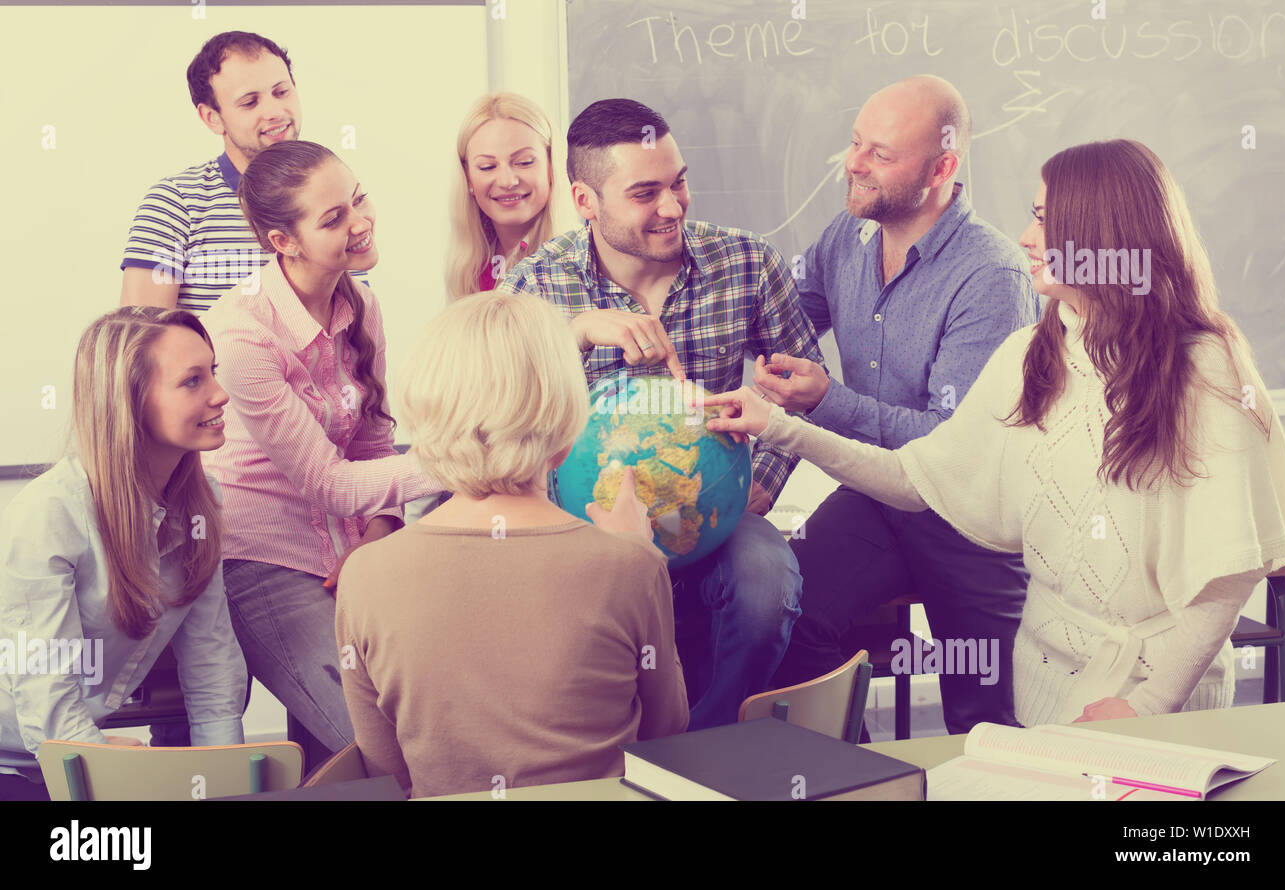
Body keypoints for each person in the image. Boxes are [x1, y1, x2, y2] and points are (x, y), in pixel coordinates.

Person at [705, 139, 1285, 727]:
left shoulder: (1206, 368)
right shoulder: (1032, 355)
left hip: (1154, 699)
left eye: (1045, 218)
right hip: (1044, 682)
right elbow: (915, 477)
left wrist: (1145, 706)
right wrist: (781, 428)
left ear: (1102, 235)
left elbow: (1228, 574)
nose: (1026, 237)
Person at [498, 98, 824, 730]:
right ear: (584, 200)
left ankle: (706, 741)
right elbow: (493, 408)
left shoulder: (749, 262)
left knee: (766, 587)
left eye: (678, 183)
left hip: (716, 514)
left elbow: (803, 399)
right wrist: (576, 332)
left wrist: (761, 483)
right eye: (645, 193)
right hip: (580, 525)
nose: (673, 207)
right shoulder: (536, 286)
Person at [761, 75, 1039, 735]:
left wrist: (826, 401)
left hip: (969, 516)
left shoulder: (990, 277)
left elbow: (948, 444)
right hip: (879, 499)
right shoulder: (846, 238)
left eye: (880, 154)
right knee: (788, 618)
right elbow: (781, 323)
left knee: (988, 718)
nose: (855, 163)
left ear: (941, 168)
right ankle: (852, 779)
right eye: (856, 144)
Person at [336, 291, 688, 797]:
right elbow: (666, 734)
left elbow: (387, 771)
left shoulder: (364, 574)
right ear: (567, 427)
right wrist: (640, 552)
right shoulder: (630, 565)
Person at [202, 140, 441, 754]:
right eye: (333, 219)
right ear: (284, 241)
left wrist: (378, 532)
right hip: (257, 561)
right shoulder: (241, 333)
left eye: (357, 198)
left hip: (352, 547)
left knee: (427, 707)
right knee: (373, 744)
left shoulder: (360, 302)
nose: (359, 221)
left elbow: (373, 441)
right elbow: (327, 483)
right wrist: (460, 462)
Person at [0, 307, 247, 800]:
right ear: (130, 403)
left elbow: (212, 667)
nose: (220, 394)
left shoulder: (204, 503)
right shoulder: (49, 515)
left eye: (213, 372)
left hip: (77, 745)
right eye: (192, 381)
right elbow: (46, 703)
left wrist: (229, 789)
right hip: (19, 759)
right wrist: (108, 771)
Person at [120, 31, 303, 311]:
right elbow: (141, 341)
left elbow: (354, 331)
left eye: (281, 92)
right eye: (249, 102)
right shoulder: (174, 204)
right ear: (212, 118)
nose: (274, 111)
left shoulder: (333, 192)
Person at [446, 93, 558, 298]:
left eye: (524, 162)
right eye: (487, 167)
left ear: (551, 166)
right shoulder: (469, 261)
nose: (507, 181)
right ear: (467, 177)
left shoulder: (585, 256)